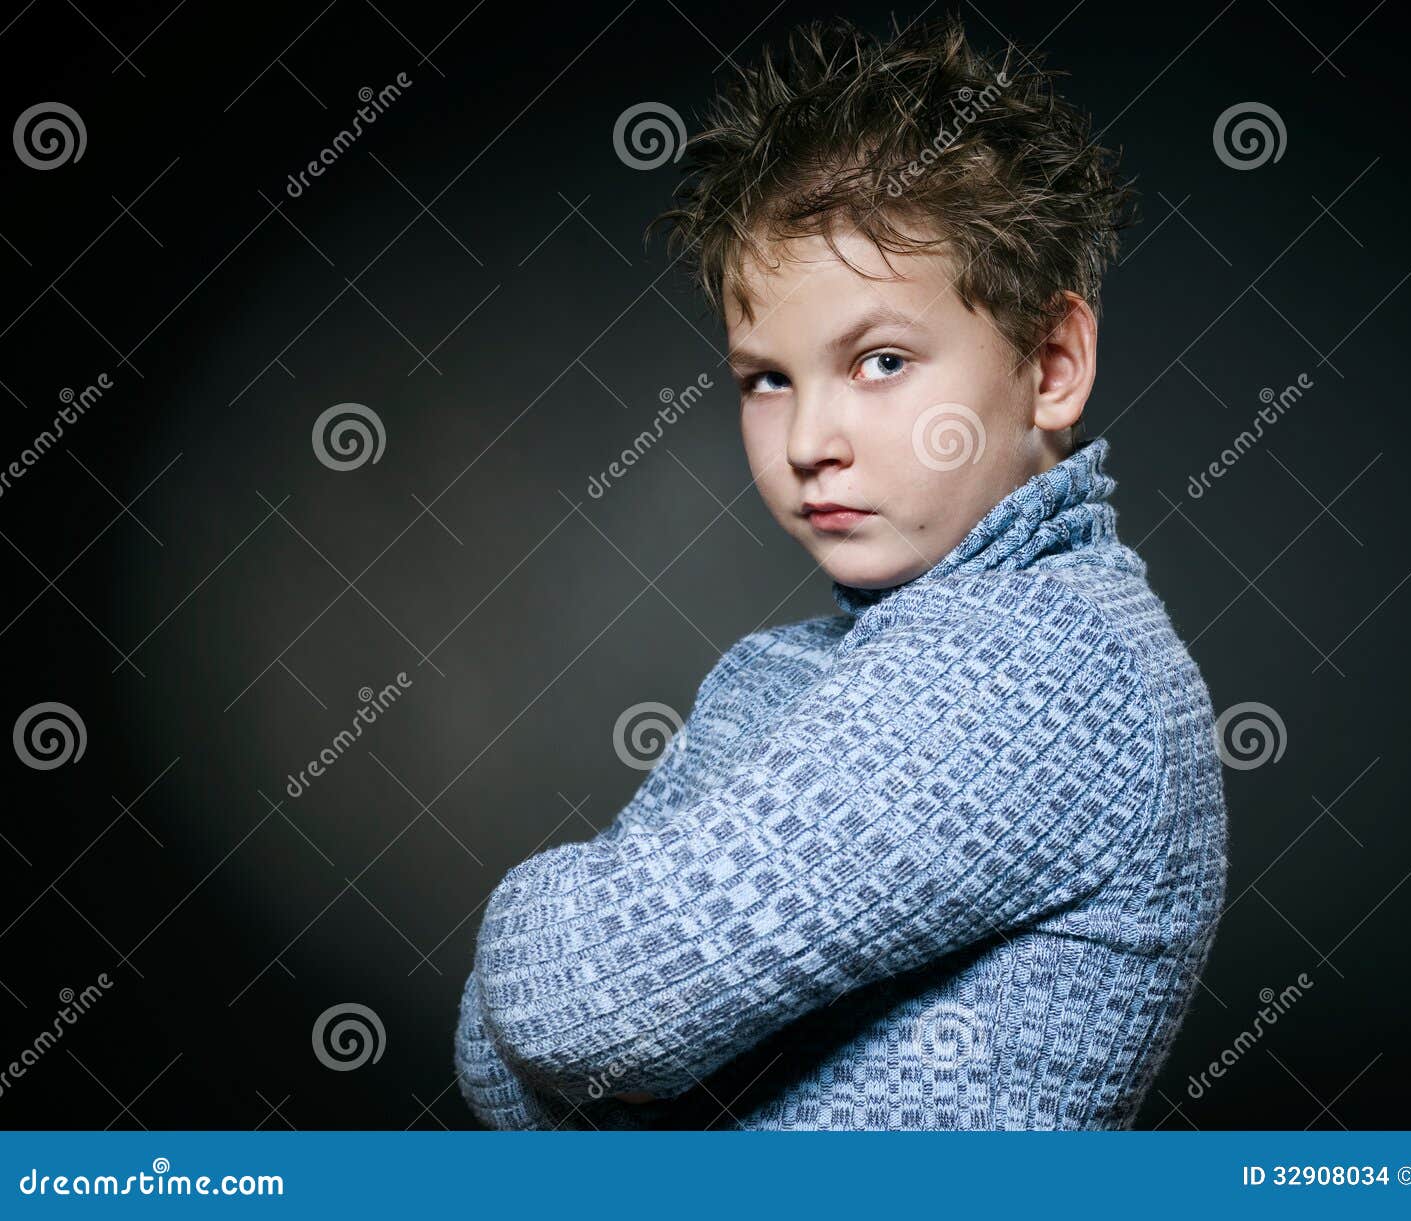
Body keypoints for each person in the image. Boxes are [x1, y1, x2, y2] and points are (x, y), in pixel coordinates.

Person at [455, 13, 1228, 1130]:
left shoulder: (1050, 659)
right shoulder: (784, 669)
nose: (810, 440)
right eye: (766, 379)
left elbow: (571, 1011)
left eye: (880, 360)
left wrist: (524, 937)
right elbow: (500, 1081)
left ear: (1053, 363)